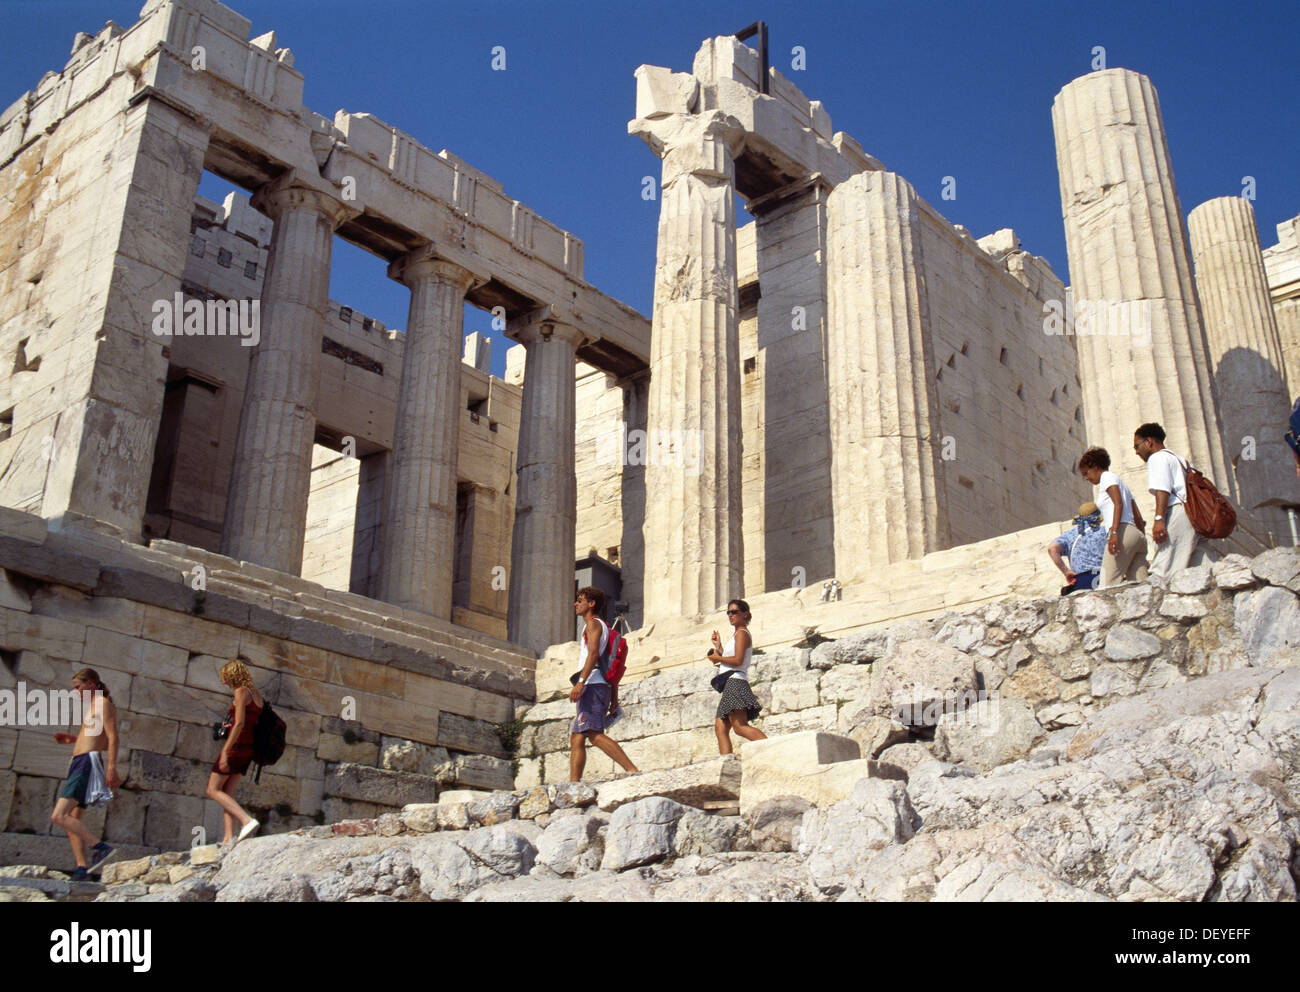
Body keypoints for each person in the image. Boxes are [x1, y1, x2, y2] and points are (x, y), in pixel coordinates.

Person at [50, 669, 120, 880]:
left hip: (86, 764)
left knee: (59, 816)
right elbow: (101, 740)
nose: (76, 691)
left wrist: (112, 767)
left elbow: (113, 737)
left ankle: (101, 848)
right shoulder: (93, 706)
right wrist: (73, 739)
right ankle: (82, 868)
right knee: (73, 818)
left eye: (78, 687)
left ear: (90, 684)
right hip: (80, 762)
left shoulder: (103, 704)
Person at [568, 587, 638, 782]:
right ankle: (573, 785)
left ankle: (631, 769)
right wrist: (613, 696)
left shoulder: (592, 624)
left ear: (591, 604)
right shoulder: (602, 625)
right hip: (599, 685)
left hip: (592, 685)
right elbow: (609, 662)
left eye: (580, 600)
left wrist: (580, 683)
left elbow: (594, 655)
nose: (576, 603)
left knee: (594, 734)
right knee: (577, 737)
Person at [205, 659, 263, 846]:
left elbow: (239, 723)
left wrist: (225, 751)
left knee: (212, 790)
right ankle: (228, 838)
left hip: (236, 747)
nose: (224, 683)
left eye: (226, 678)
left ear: (233, 676)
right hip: (249, 748)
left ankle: (246, 820)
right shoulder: (257, 696)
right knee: (226, 792)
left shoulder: (241, 692)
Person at [1134, 423, 1198, 581]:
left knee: (1161, 570)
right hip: (1195, 514)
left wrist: (1159, 519)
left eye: (1137, 446)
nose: (1136, 452)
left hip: (1179, 512)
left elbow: (1163, 489)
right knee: (1197, 565)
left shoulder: (1157, 457)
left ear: (1149, 442)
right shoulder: (1181, 460)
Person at [1078, 446, 1148, 587]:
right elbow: (1138, 517)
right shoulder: (1124, 485)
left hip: (1121, 532)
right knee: (1141, 587)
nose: (1086, 478)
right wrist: (1142, 539)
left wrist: (1115, 532)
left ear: (1096, 467)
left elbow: (1118, 503)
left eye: (1087, 473)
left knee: (1106, 585)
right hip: (1134, 534)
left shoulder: (1107, 477)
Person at [710, 599, 767, 754]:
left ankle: (770, 750)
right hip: (730, 683)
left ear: (745, 614)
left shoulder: (742, 633)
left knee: (739, 726)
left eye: (734, 611)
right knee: (720, 728)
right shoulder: (736, 634)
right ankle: (727, 762)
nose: (730, 615)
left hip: (735, 683)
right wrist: (719, 648)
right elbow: (731, 659)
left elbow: (738, 661)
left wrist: (718, 658)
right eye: (728, 612)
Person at [1047, 501, 1109, 595]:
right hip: (1102, 578)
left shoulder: (1069, 535)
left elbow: (1052, 548)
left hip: (1079, 582)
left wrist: (1066, 571)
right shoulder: (1105, 531)